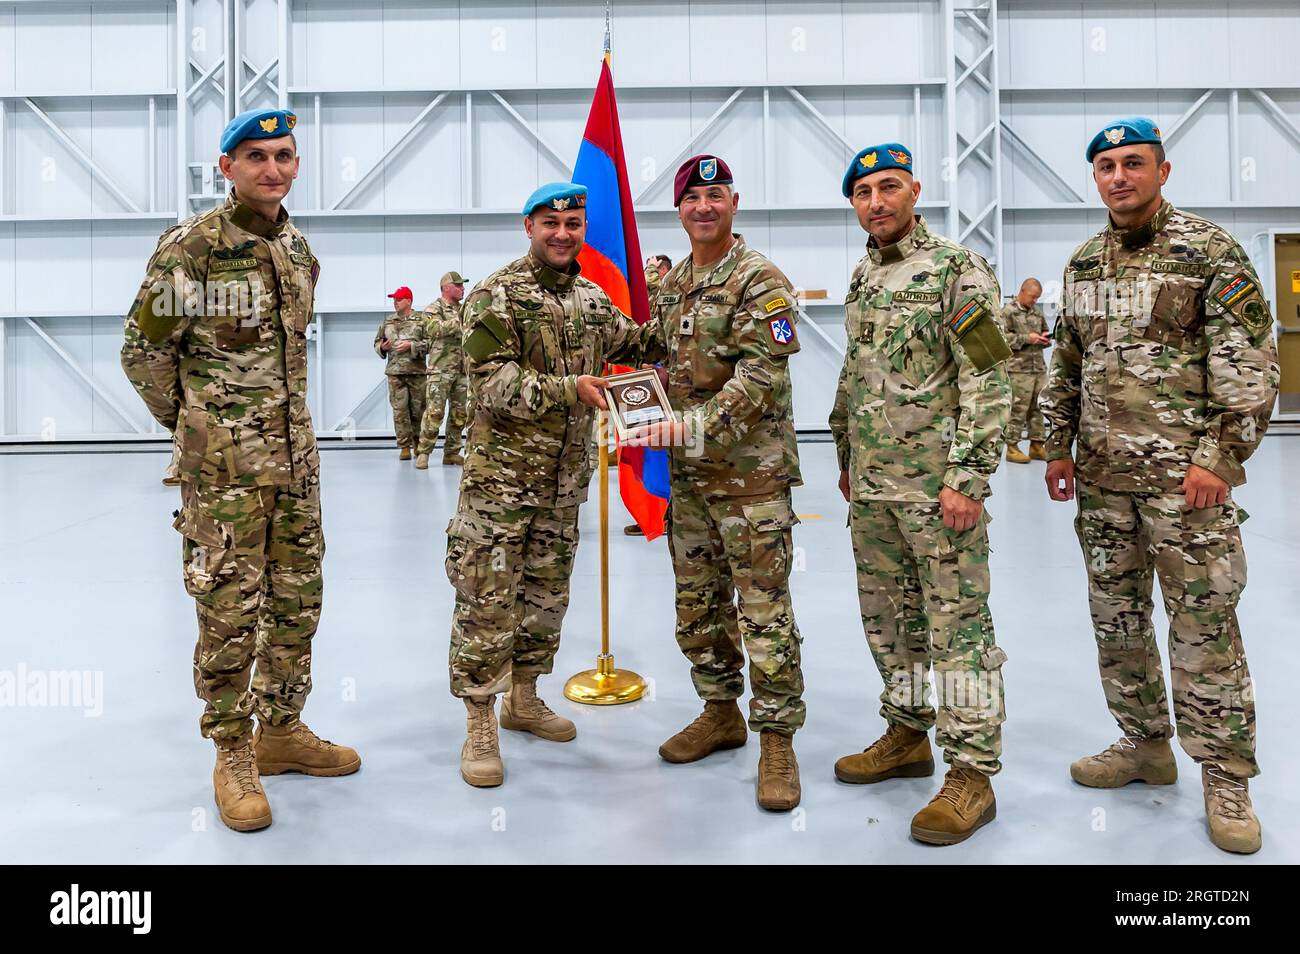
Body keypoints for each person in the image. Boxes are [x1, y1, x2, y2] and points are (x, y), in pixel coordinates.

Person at [1041, 117, 1279, 854]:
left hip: (1187, 486)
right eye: (1106, 166)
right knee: (1117, 621)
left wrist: (1220, 458)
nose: (1119, 177)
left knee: (1204, 624)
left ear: (1162, 171)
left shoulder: (1209, 252)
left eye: (1133, 163)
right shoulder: (1084, 264)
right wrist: (1055, 446)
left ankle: (1225, 774)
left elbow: (1250, 362)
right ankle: (1144, 743)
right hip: (1103, 482)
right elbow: (1067, 364)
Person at [120, 107, 359, 833]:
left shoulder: (297, 248)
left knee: (296, 601)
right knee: (228, 612)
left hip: (296, 465)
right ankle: (232, 752)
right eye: (255, 156)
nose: (272, 168)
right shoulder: (191, 249)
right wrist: (198, 427)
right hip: (225, 473)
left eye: (283, 155)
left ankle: (281, 731)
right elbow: (143, 355)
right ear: (226, 167)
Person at [828, 142, 1012, 845]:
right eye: (863, 192)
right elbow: (855, 370)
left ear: (914, 192)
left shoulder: (956, 269)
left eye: (889, 187)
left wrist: (968, 476)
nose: (876, 201)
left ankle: (972, 773)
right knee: (890, 625)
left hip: (938, 492)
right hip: (875, 490)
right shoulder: (864, 276)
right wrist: (845, 452)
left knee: (958, 631)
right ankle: (907, 733)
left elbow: (989, 375)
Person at [448, 182, 659, 788]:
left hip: (563, 486)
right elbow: (492, 383)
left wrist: (691, 301)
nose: (563, 234)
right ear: (529, 227)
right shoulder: (495, 295)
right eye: (551, 223)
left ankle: (524, 698)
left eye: (573, 223)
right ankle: (480, 720)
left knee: (545, 598)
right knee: (488, 599)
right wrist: (573, 389)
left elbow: (640, 340)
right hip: (500, 487)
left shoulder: (592, 299)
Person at [625, 155, 806, 812]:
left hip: (750, 480)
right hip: (691, 482)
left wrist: (685, 427)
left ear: (734, 202)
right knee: (698, 607)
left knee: (764, 613)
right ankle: (720, 711)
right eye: (692, 198)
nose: (704, 206)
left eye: (716, 194)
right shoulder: (673, 285)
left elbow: (762, 378)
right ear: (679, 210)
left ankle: (777, 740)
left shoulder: (760, 279)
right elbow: (648, 347)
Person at [416, 271, 470, 469]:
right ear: (446, 287)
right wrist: (462, 322)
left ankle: (452, 452)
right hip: (440, 370)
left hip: (462, 370)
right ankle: (424, 452)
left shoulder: (464, 309)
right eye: (458, 285)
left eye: (462, 285)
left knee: (460, 414)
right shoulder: (434, 308)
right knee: (434, 412)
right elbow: (434, 329)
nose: (462, 288)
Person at [374, 286, 429, 461]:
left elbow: (430, 343)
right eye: (394, 300)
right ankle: (404, 446)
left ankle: (419, 445)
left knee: (418, 411)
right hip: (395, 373)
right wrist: (382, 348)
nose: (395, 302)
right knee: (400, 412)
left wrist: (411, 346)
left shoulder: (422, 320)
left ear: (409, 301)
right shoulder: (388, 322)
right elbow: (377, 343)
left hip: (417, 373)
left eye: (399, 299)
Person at [999, 278, 1050, 463]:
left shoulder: (1037, 312)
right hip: (1018, 370)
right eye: (1032, 297)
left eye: (1037, 298)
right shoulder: (1007, 312)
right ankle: (1012, 447)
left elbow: (1044, 330)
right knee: (1018, 409)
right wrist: (1027, 338)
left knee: (1039, 408)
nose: (1034, 301)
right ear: (1022, 291)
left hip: (1038, 367)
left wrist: (1044, 338)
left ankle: (1037, 445)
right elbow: (1002, 338)